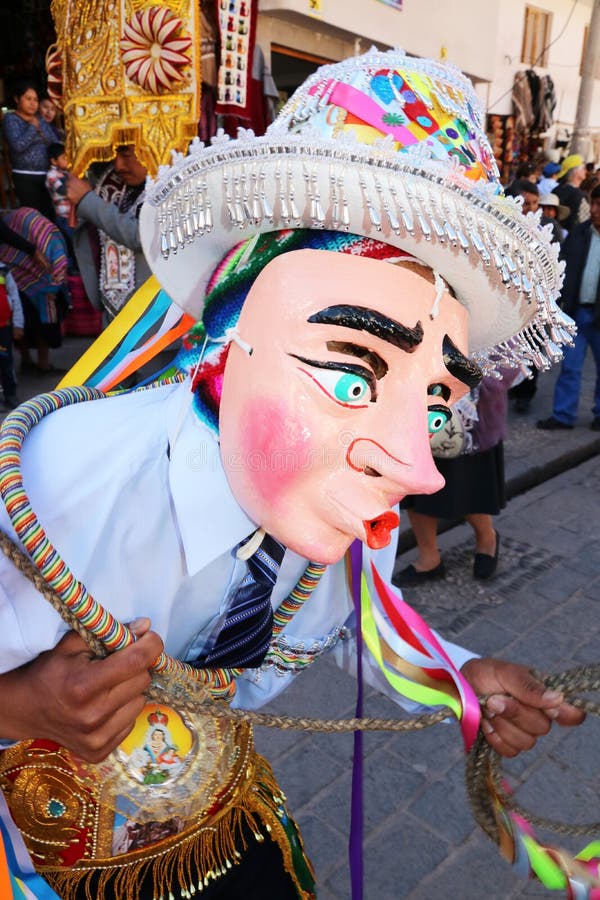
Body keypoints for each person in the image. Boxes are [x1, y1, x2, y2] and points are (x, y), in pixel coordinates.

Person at [0, 50, 583, 900]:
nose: (418, 469)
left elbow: (350, 622)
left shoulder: (344, 513)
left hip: (220, 832)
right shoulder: (54, 490)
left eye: (433, 404)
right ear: (226, 345)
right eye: (352, 378)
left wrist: (461, 676)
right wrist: (16, 709)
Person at [396, 373, 511, 585]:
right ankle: (428, 556)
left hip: (473, 412)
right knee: (417, 486)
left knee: (467, 485)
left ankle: (487, 538)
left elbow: (509, 355)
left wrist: (466, 385)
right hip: (418, 403)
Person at [538, 183, 600, 431]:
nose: (594, 209)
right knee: (570, 368)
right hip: (577, 312)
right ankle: (563, 415)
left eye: (599, 205)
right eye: (593, 203)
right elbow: (563, 268)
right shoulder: (580, 233)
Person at [66, 145, 150, 324]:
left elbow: (142, 236)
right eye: (114, 155)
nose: (119, 165)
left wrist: (87, 201)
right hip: (113, 317)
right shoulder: (110, 182)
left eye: (126, 155)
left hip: (159, 328)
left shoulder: (177, 183)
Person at [0, 207, 68, 374]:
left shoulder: (26, 223)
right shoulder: (53, 243)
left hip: (15, 268)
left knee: (22, 315)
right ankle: (42, 364)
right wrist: (33, 251)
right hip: (32, 272)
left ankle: (26, 361)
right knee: (38, 314)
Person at [1, 81, 57, 222]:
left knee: (50, 217)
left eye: (35, 100)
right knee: (34, 220)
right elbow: (18, 146)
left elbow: (52, 142)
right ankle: (36, 244)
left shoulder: (40, 120)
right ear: (17, 99)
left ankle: (52, 244)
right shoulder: (11, 119)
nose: (33, 103)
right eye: (28, 98)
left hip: (46, 176)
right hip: (25, 177)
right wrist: (32, 127)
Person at [45, 142, 76, 267]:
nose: (68, 161)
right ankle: (72, 271)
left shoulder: (66, 173)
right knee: (72, 245)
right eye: (64, 158)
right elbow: (65, 191)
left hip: (73, 216)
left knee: (77, 244)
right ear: (53, 161)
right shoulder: (52, 175)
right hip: (64, 218)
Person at [0, 261, 24, 409]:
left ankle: (10, 395)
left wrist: (18, 324)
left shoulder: (3, 270)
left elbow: (14, 296)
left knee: (6, 363)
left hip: (3, 327)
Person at [553, 153, 590, 233]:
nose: (586, 171)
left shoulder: (556, 189)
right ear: (575, 172)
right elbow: (586, 222)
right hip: (569, 238)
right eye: (583, 168)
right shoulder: (579, 195)